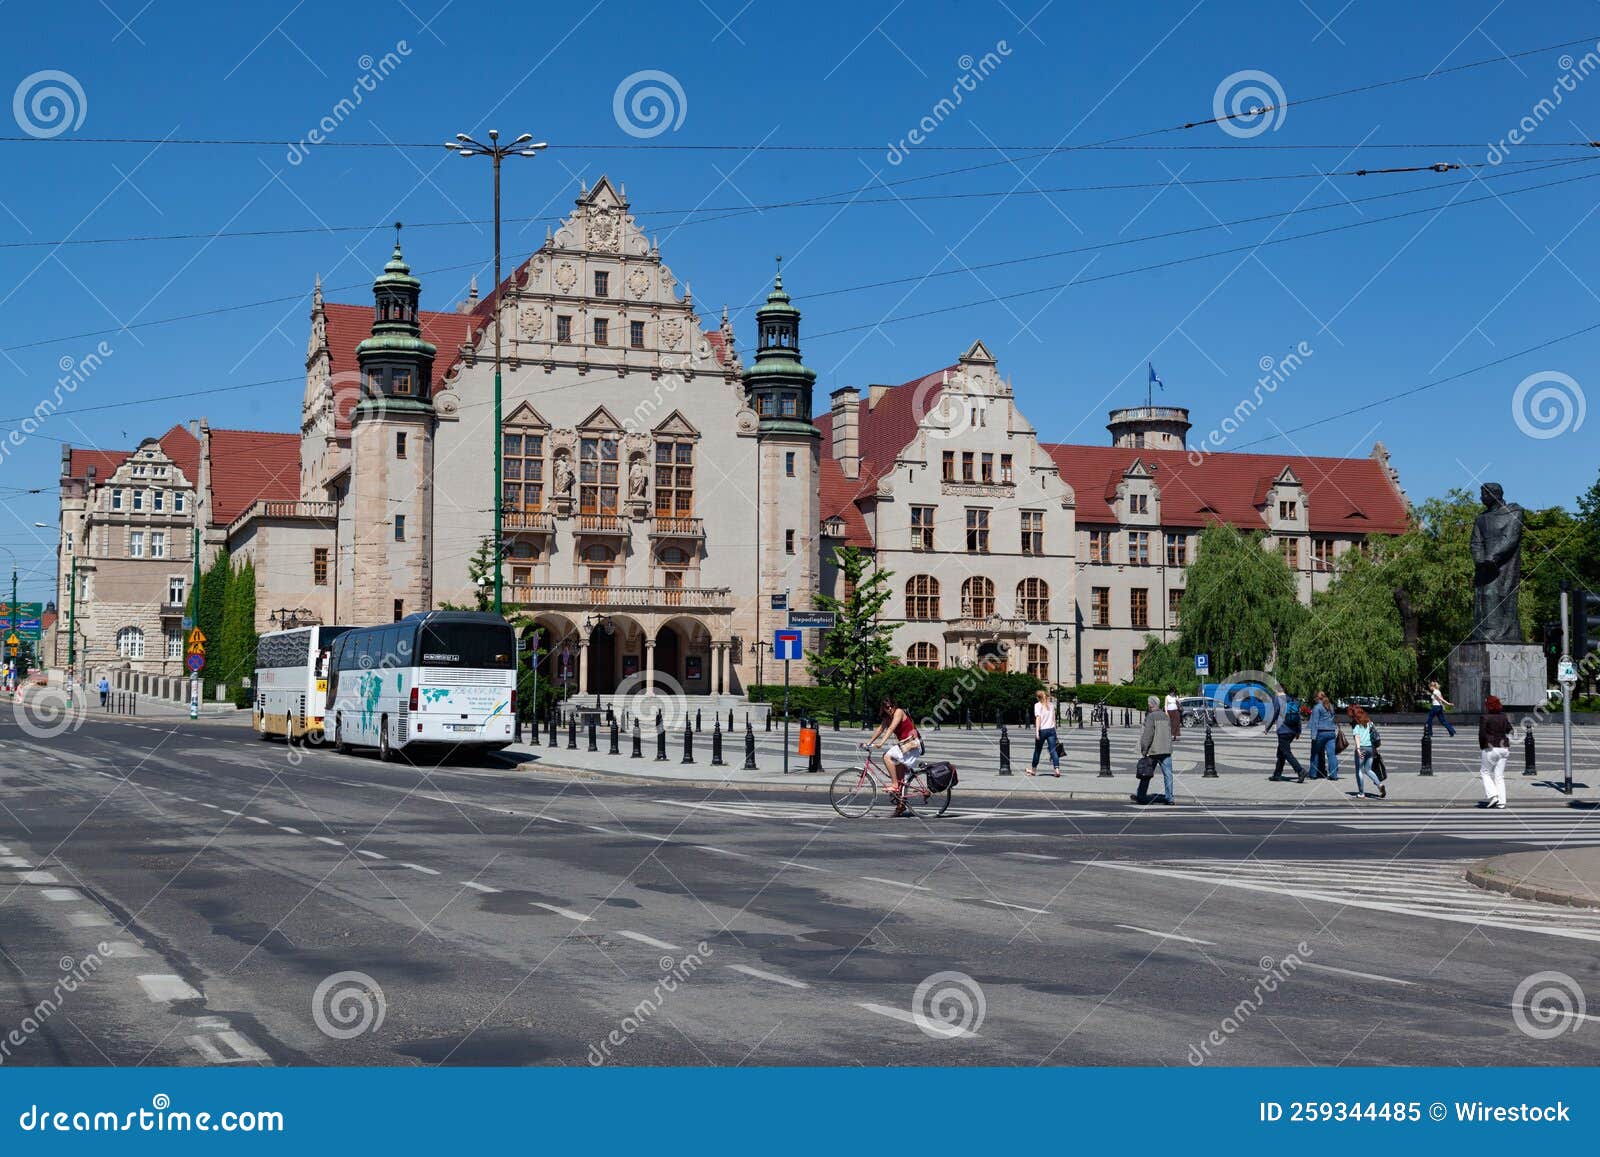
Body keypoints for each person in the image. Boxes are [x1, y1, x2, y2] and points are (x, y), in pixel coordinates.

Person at [863, 696, 923, 818]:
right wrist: (868, 743)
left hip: (912, 745)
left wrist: (881, 744)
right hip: (904, 746)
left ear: (894, 705)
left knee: (887, 756)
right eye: (886, 707)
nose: (889, 708)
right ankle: (901, 805)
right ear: (883, 708)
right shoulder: (886, 717)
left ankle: (894, 785)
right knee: (901, 778)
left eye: (890, 706)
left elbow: (891, 728)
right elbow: (880, 730)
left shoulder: (899, 712)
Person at [1131, 695, 1175, 805]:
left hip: (1154, 750)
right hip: (1166, 750)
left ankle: (1141, 795)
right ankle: (1169, 798)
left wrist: (1144, 749)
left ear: (1150, 705)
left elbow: (1147, 735)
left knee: (1146, 774)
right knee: (1168, 775)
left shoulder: (1151, 717)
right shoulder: (1166, 716)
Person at [1478, 694, 1513, 809]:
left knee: (1485, 772)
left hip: (1491, 748)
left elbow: (1482, 734)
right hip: (1504, 748)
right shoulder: (1503, 716)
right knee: (1499, 776)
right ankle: (1502, 802)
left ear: (1488, 706)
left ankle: (1493, 795)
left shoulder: (1485, 717)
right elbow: (1509, 729)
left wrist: (1483, 746)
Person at [1348, 705, 1386, 799]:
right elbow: (1374, 735)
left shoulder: (1356, 724)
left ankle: (1361, 793)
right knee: (1369, 769)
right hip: (1370, 749)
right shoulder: (1369, 722)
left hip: (1362, 749)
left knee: (1359, 770)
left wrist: (1357, 749)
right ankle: (1379, 785)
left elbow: (1357, 736)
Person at [1269, 693, 1305, 782]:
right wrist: (1298, 731)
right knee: (1281, 752)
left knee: (1286, 752)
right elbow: (1298, 717)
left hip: (1283, 731)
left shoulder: (1278, 699)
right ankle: (1277, 775)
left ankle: (1300, 770)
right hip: (1292, 731)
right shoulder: (1294, 700)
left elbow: (1274, 714)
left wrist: (1267, 727)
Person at [1028, 688, 1062, 776]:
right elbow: (1054, 718)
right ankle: (1057, 769)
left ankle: (1033, 770)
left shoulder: (1037, 705)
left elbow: (1038, 718)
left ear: (1038, 698)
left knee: (1037, 751)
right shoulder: (1051, 705)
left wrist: (1036, 732)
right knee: (1053, 750)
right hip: (1051, 730)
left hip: (1042, 730)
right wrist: (1054, 729)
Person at [1308, 691, 1340, 780]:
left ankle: (1313, 774)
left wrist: (1313, 736)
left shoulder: (1317, 707)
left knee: (1315, 753)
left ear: (1317, 698)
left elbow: (1315, 723)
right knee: (1331, 754)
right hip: (1331, 732)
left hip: (1320, 733)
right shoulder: (1330, 706)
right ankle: (1334, 775)